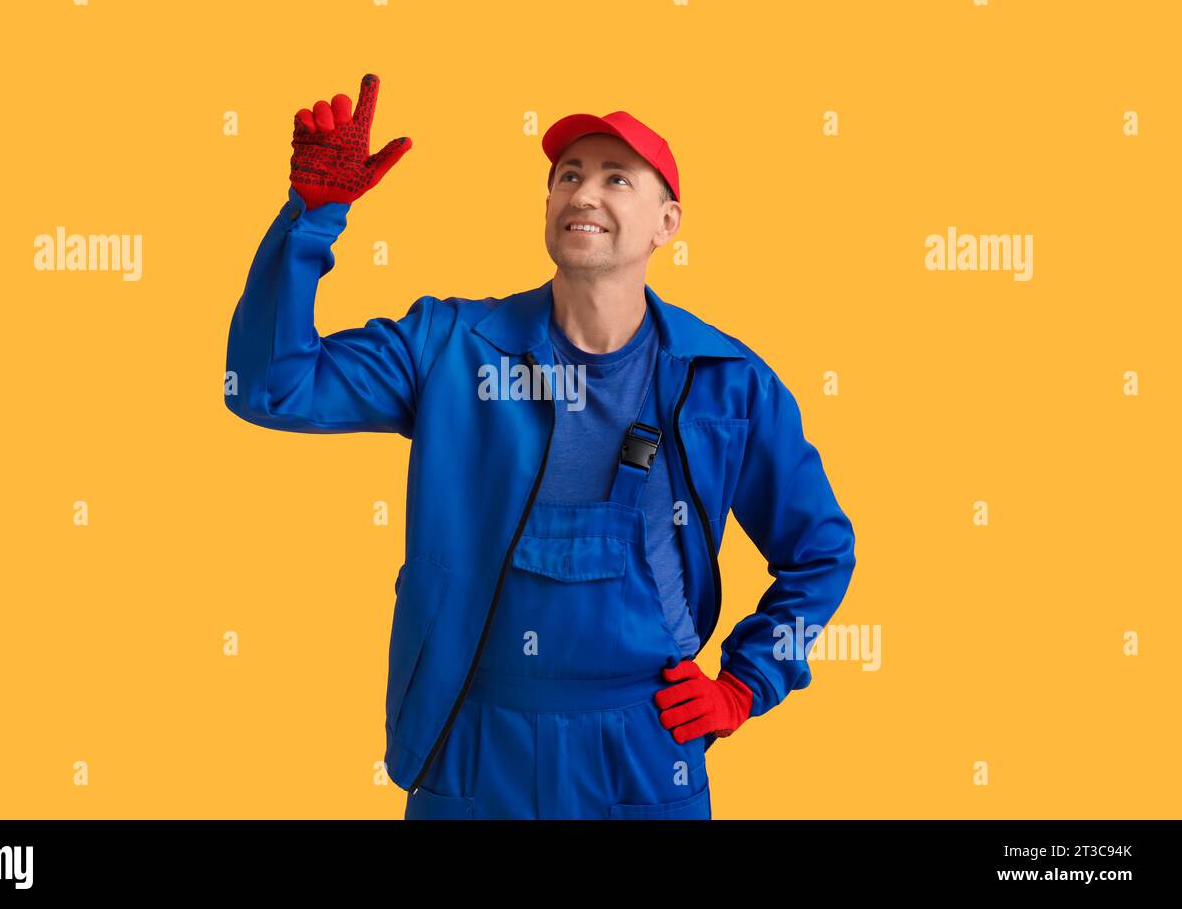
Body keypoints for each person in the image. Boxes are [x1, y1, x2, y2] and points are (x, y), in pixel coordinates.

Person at [224, 73, 857, 819]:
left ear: (666, 222)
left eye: (617, 179)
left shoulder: (728, 383)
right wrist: (312, 220)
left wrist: (746, 685)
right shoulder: (451, 350)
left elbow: (819, 552)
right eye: (568, 176)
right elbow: (268, 387)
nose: (583, 194)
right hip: (473, 739)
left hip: (644, 751)